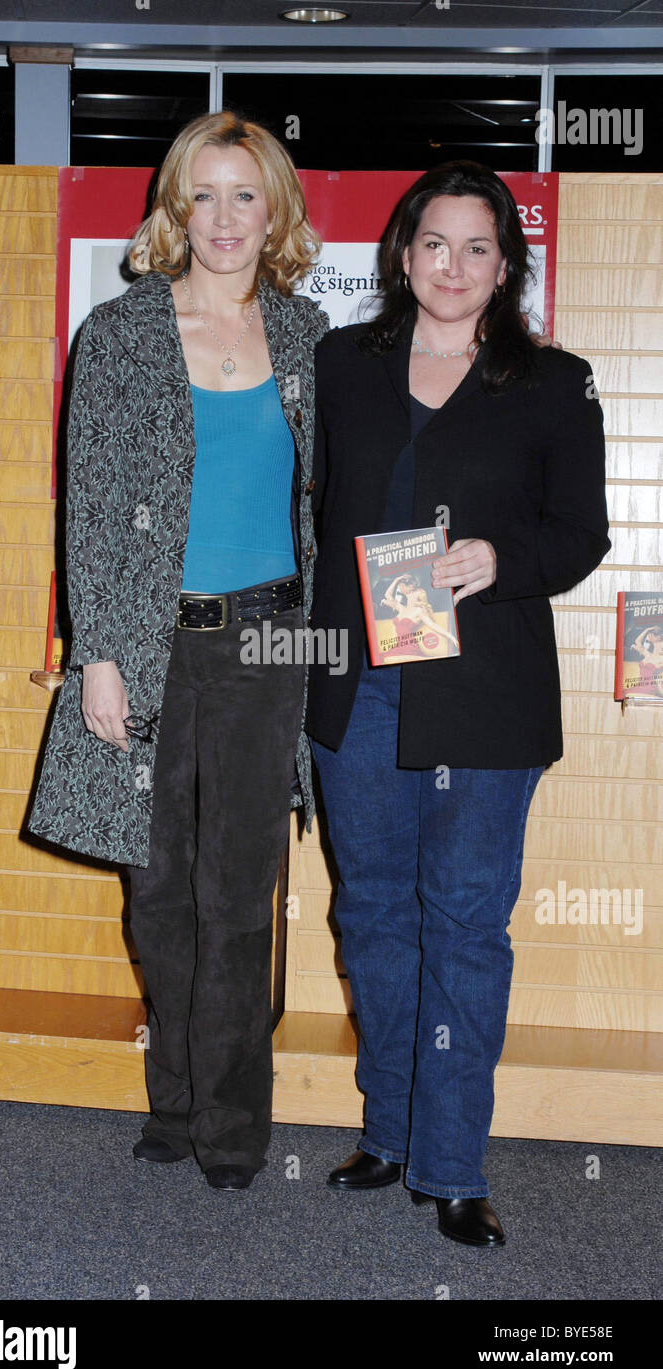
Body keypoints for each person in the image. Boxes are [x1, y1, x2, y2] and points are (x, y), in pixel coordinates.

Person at [305, 160, 610, 1245]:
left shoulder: (555, 381)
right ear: (401, 252)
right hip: (363, 690)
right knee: (373, 915)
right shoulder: (342, 363)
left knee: (467, 926)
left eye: (479, 247)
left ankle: (452, 1163)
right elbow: (308, 511)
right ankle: (387, 1132)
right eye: (436, 243)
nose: (454, 265)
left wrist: (498, 553)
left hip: (484, 698)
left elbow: (583, 536)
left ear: (505, 264)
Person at [28, 111, 329, 1190]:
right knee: (155, 892)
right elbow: (92, 505)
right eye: (204, 194)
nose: (225, 218)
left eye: (246, 194)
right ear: (175, 207)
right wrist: (96, 650)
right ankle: (178, 1097)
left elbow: (330, 498)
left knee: (238, 892)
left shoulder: (305, 340)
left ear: (276, 209)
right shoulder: (118, 335)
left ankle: (232, 1127)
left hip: (266, 646)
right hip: (148, 646)